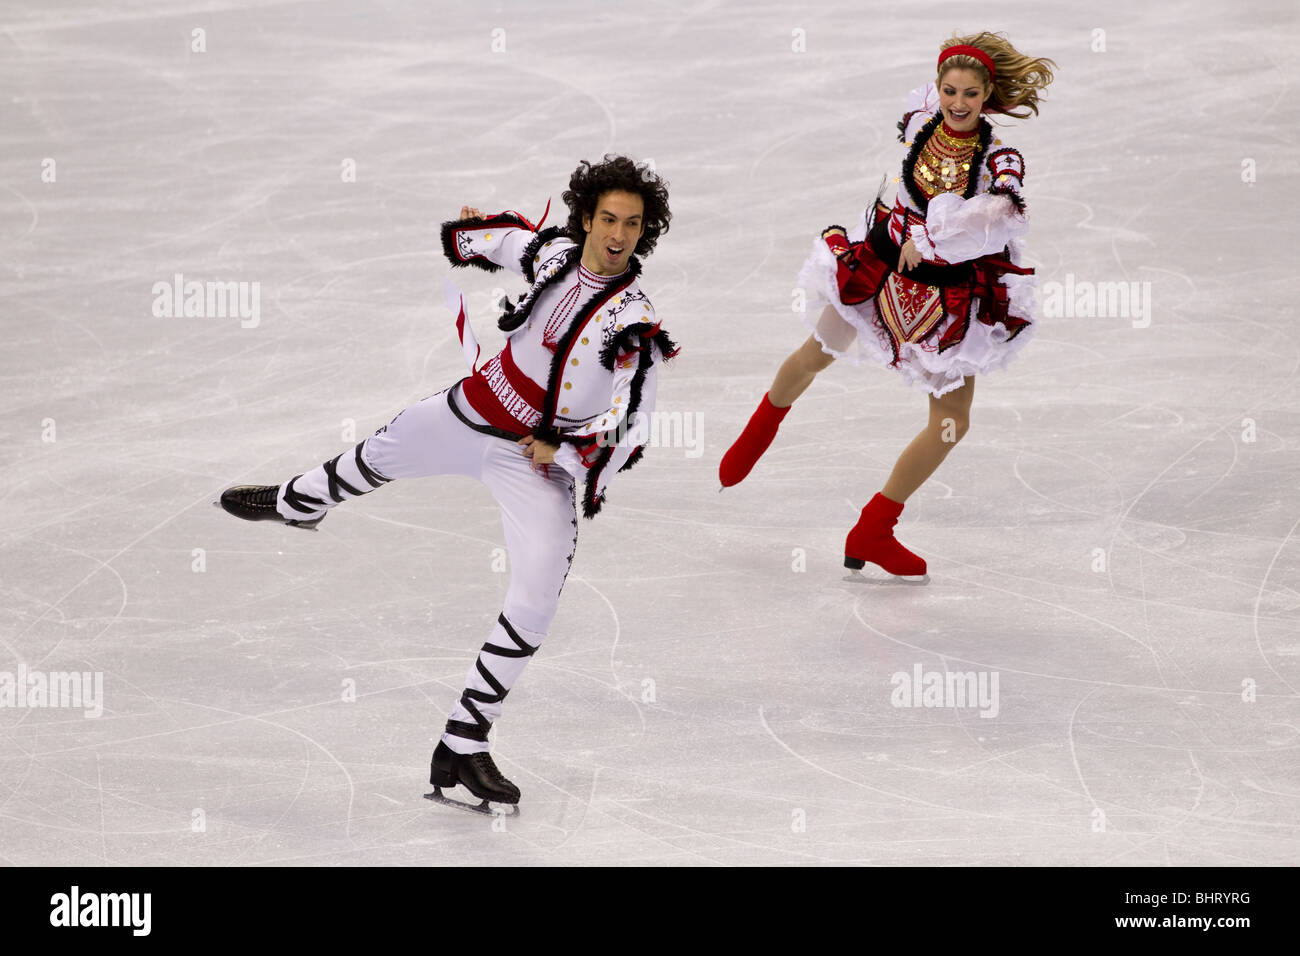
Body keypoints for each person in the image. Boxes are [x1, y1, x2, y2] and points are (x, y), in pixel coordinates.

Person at [217, 155, 676, 813]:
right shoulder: (554, 256)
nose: (617, 234)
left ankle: (462, 744)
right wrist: (472, 236)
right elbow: (509, 240)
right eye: (608, 218)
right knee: (376, 455)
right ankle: (295, 504)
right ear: (585, 217)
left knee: (537, 595)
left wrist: (566, 447)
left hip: (536, 463)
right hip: (472, 412)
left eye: (632, 223)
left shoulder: (635, 322)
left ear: (644, 231)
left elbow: (632, 428)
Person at [719, 32, 1055, 583]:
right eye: (950, 89)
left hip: (942, 298)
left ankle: (874, 527)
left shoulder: (1001, 159)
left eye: (971, 93)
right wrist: (908, 234)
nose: (957, 102)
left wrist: (933, 240)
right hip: (876, 265)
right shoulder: (924, 116)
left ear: (988, 94)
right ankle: (760, 431)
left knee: (951, 422)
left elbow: (1000, 218)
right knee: (817, 350)